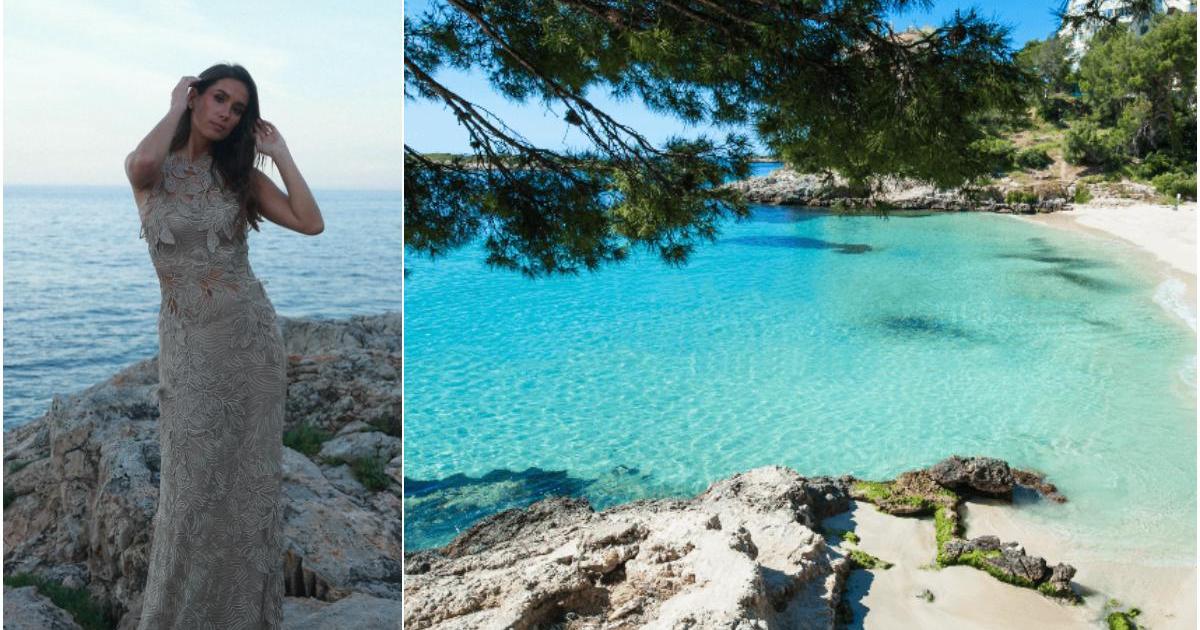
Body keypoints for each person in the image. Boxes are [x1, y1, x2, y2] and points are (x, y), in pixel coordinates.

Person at [125, 63, 323, 629]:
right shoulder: (151, 168)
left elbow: (311, 223)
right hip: (188, 346)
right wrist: (172, 106)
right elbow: (140, 163)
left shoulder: (239, 178)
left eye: (237, 108)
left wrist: (279, 153)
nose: (225, 113)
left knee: (247, 491)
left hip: (250, 342)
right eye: (217, 99)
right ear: (195, 98)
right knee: (189, 495)